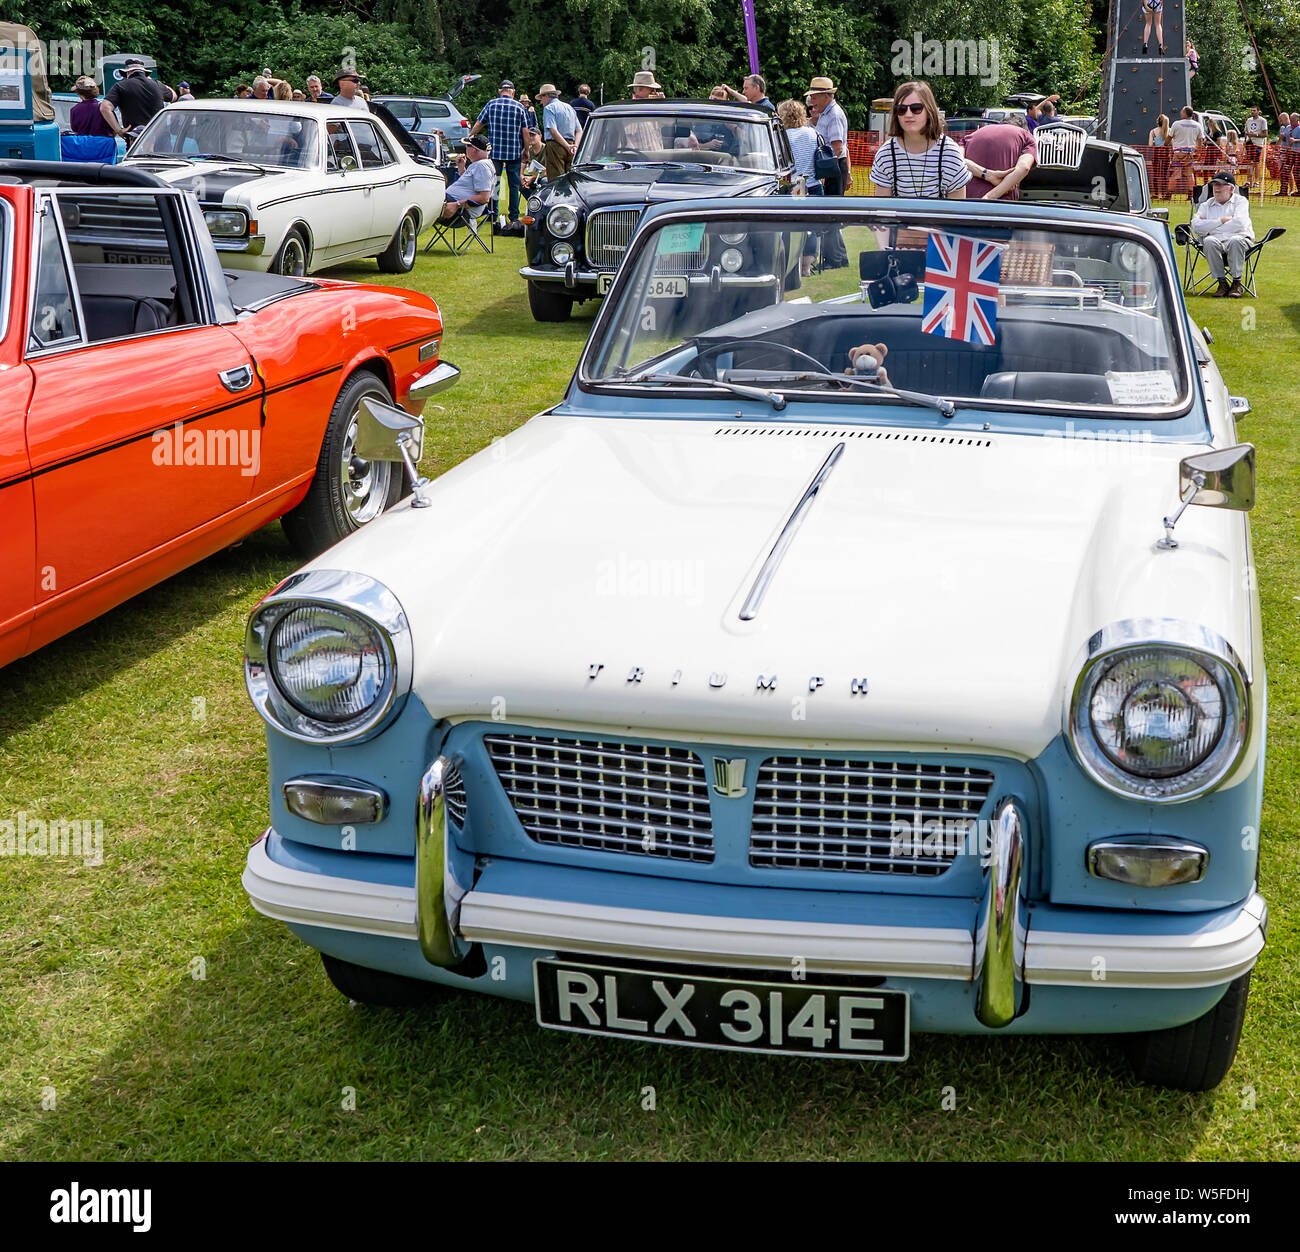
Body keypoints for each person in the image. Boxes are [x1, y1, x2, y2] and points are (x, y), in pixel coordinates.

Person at [869, 80, 969, 199]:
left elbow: (956, 212)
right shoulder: (886, 155)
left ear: (929, 111)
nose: (908, 114)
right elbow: (882, 210)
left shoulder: (950, 154)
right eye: (901, 109)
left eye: (916, 108)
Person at [807, 74, 850, 266]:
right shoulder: (827, 112)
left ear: (826, 96)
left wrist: (823, 170)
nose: (811, 100)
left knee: (830, 215)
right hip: (832, 166)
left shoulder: (833, 114)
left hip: (833, 167)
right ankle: (836, 258)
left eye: (814, 97)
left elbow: (838, 147)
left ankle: (835, 259)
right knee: (829, 215)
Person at [472, 80, 529, 224]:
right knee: (514, 185)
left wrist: (470, 137)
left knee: (495, 183)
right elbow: (525, 131)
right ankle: (514, 216)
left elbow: (479, 123)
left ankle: (493, 214)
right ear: (513, 92)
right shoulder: (519, 107)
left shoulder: (491, 104)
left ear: (499, 91)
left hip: (495, 152)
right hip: (514, 151)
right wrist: (526, 149)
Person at [777, 99, 822, 276]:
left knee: (790, 229)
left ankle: (790, 264)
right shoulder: (812, 133)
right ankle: (806, 267)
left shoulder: (783, 136)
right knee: (812, 228)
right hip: (813, 184)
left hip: (793, 186)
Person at [1191, 172, 1253, 296]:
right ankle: (1222, 283)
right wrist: (1221, 221)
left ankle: (1236, 284)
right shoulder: (1206, 205)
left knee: (1235, 240)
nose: (1216, 188)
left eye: (1221, 185)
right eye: (1214, 184)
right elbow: (1196, 226)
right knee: (1208, 241)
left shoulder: (1241, 202)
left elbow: (1240, 223)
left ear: (1231, 188)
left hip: (1240, 240)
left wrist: (1209, 227)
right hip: (1215, 242)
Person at [962, 120, 1037, 199]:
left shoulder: (970, 136)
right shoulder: (1026, 136)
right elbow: (1024, 167)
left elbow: (958, 161)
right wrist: (988, 197)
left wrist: (986, 174)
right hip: (1001, 205)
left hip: (967, 201)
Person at [100, 58, 173, 138]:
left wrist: (118, 130)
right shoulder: (157, 85)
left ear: (127, 72)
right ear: (144, 72)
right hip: (160, 136)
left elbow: (105, 107)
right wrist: (158, 83)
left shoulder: (120, 86)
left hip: (136, 138)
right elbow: (173, 96)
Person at [440, 134, 496, 219]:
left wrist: (457, 205)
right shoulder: (480, 164)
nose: (465, 148)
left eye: (467, 146)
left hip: (459, 209)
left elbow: (484, 198)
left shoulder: (482, 166)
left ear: (474, 150)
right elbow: (470, 185)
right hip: (454, 203)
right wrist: (461, 167)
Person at [537, 83, 581, 181]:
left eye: (541, 98)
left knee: (556, 180)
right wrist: (575, 146)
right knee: (570, 180)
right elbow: (579, 130)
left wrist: (566, 146)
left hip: (555, 145)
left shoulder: (549, 108)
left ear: (546, 96)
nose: (541, 102)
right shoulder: (570, 108)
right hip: (571, 145)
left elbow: (553, 130)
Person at [1170, 105, 1200, 198]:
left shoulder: (1176, 124)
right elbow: (1200, 140)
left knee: (1175, 173)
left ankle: (1168, 194)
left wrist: (1166, 143)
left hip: (1178, 152)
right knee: (1189, 174)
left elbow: (1170, 136)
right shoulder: (1197, 125)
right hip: (1190, 153)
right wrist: (1198, 153)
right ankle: (1191, 195)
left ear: (1185, 113)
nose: (1180, 113)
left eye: (1182, 111)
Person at [1148, 113, 1171, 198]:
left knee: (1156, 174)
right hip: (1166, 152)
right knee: (1165, 174)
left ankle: (1156, 194)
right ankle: (1165, 194)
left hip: (1157, 152)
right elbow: (1172, 143)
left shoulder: (1153, 131)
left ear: (1158, 121)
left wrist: (1156, 142)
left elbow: (1150, 145)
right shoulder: (1170, 130)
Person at [1244, 106, 1266, 190]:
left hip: (1257, 144)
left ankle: (1256, 181)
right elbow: (1246, 132)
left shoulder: (1262, 120)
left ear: (1258, 111)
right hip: (1249, 143)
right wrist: (1245, 140)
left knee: (1256, 162)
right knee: (1249, 163)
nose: (1252, 112)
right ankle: (1248, 180)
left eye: (1254, 110)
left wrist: (1255, 135)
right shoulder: (1248, 120)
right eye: (1251, 110)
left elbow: (1265, 134)